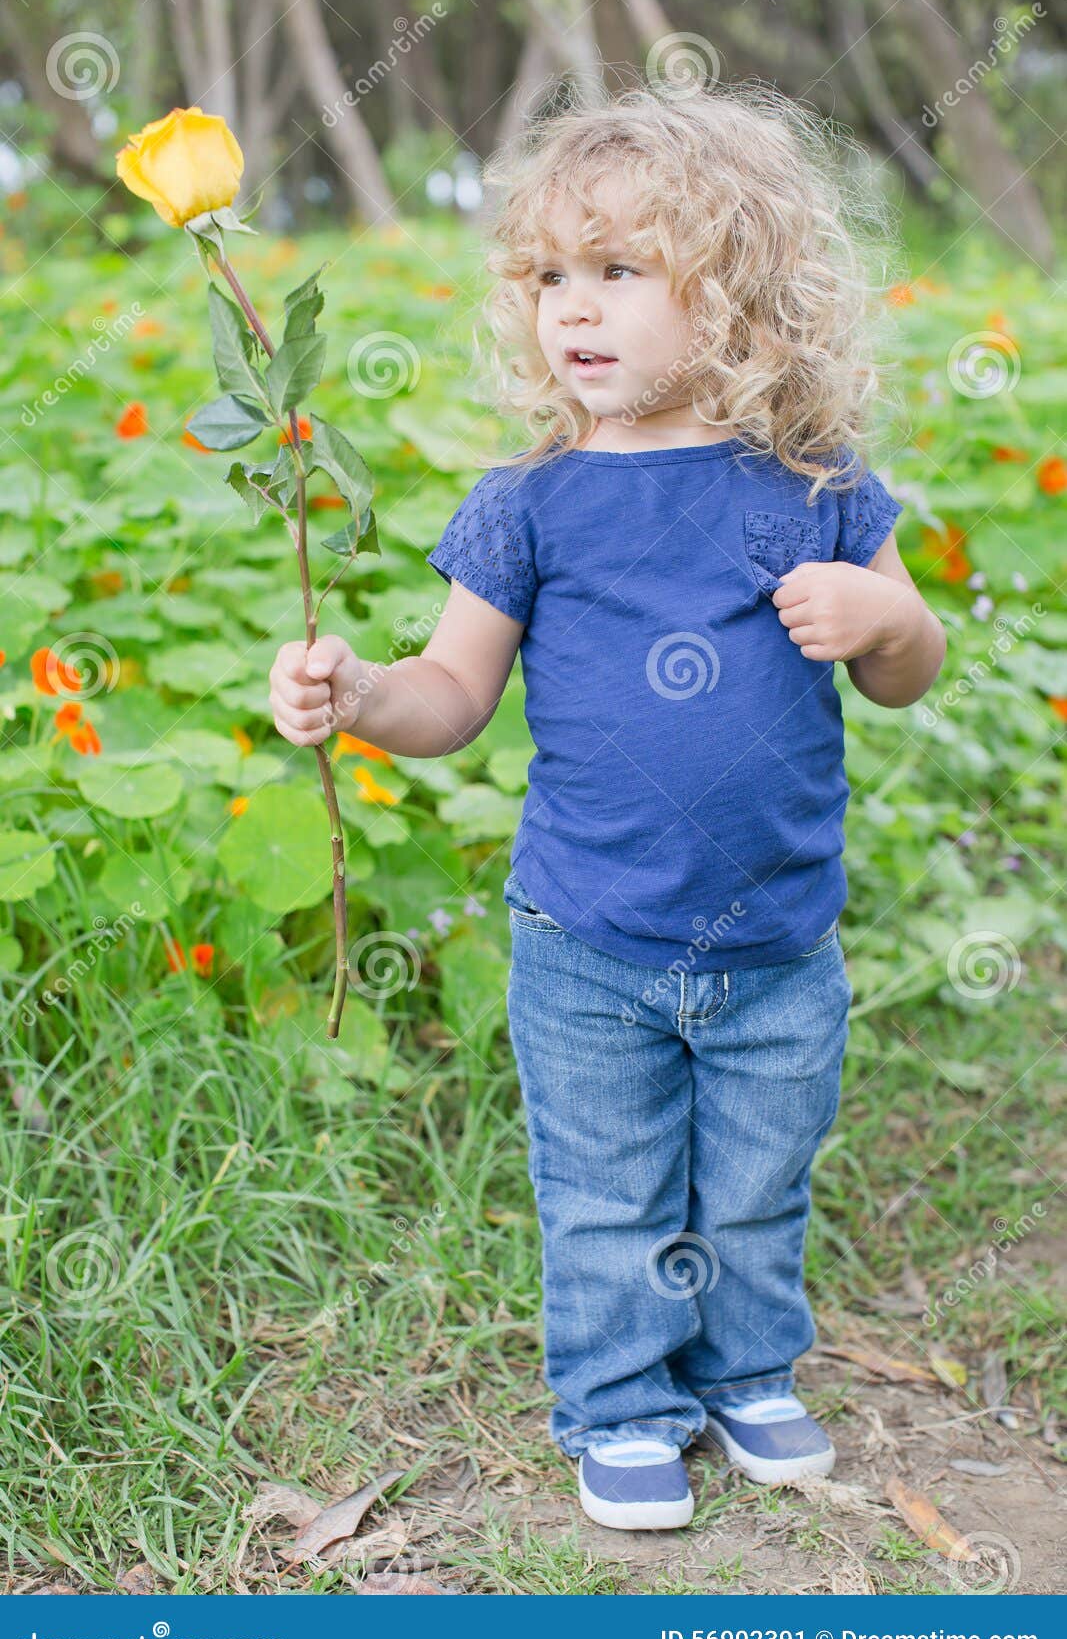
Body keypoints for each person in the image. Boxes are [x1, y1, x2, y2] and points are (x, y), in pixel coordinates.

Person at [268, 85, 946, 1532]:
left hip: (777, 937)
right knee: (607, 1188)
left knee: (759, 1176)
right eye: (549, 277)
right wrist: (359, 692)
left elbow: (913, 671)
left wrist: (881, 611)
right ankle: (624, 1402)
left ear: (741, 299)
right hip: (588, 939)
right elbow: (449, 695)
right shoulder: (530, 504)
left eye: (620, 271)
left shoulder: (818, 487)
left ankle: (748, 1366)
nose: (570, 309)